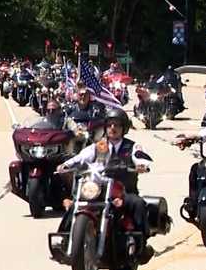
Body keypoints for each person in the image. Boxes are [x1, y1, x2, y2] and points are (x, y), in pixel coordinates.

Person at [56, 108, 155, 261]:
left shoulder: (131, 147)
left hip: (123, 191)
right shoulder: (99, 146)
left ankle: (141, 245)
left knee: (138, 203)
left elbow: (140, 156)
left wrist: (141, 165)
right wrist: (66, 165)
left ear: (124, 128)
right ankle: (63, 240)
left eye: (117, 125)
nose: (113, 128)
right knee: (76, 203)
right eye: (109, 125)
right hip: (100, 189)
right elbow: (81, 157)